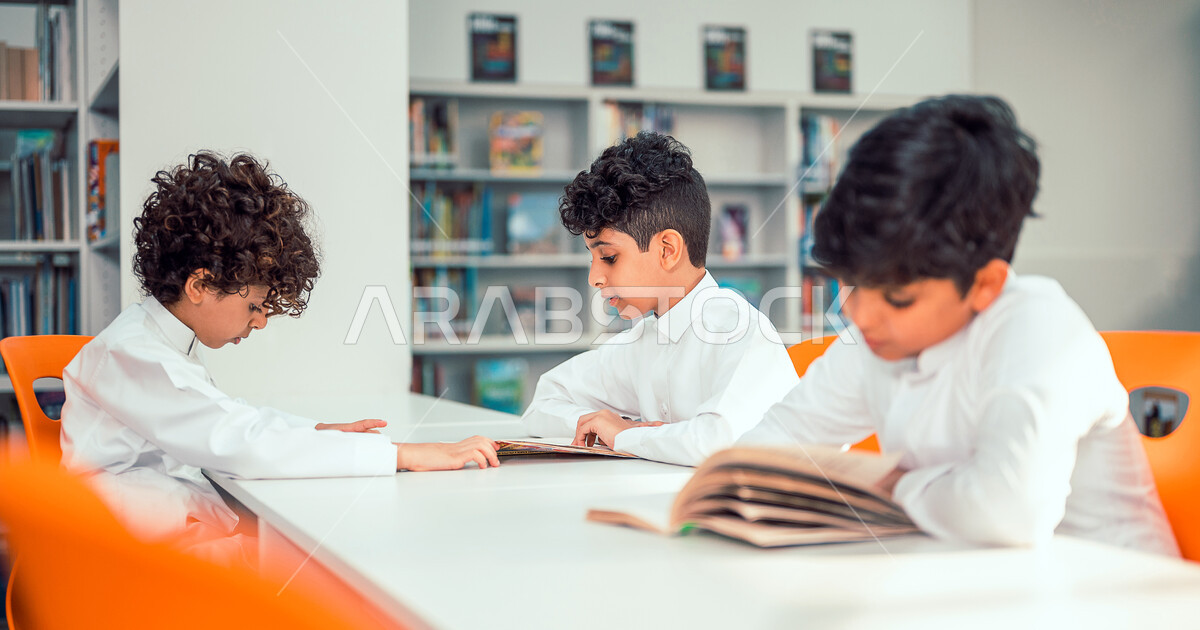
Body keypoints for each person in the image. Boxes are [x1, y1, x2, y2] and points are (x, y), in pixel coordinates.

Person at [738, 96, 1179, 556]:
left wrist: (890, 486)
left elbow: (1009, 511)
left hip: (1112, 585)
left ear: (986, 284)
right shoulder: (879, 339)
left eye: (899, 298)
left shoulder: (1041, 328)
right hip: (973, 574)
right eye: (850, 284)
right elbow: (767, 450)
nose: (859, 314)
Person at [60, 152, 499, 561]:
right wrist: (402, 454)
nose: (260, 322)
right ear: (199, 286)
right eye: (254, 306)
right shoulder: (133, 354)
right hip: (130, 561)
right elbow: (238, 441)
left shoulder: (157, 340)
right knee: (343, 566)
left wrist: (319, 432)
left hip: (165, 537)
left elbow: (225, 417)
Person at [521, 132, 798, 466]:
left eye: (608, 257)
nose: (594, 278)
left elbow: (719, 443)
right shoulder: (643, 340)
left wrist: (624, 435)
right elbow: (542, 404)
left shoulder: (742, 331)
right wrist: (607, 425)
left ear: (667, 250)